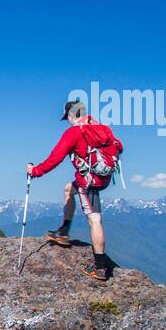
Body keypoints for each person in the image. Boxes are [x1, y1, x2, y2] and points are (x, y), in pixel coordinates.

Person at [26, 100, 123, 281]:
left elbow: (55, 158)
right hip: (104, 178)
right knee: (68, 189)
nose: (67, 121)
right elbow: (119, 147)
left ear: (72, 115)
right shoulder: (102, 128)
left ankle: (100, 268)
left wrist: (35, 171)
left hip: (88, 182)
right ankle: (63, 232)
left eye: (67, 117)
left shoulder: (74, 133)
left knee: (94, 220)